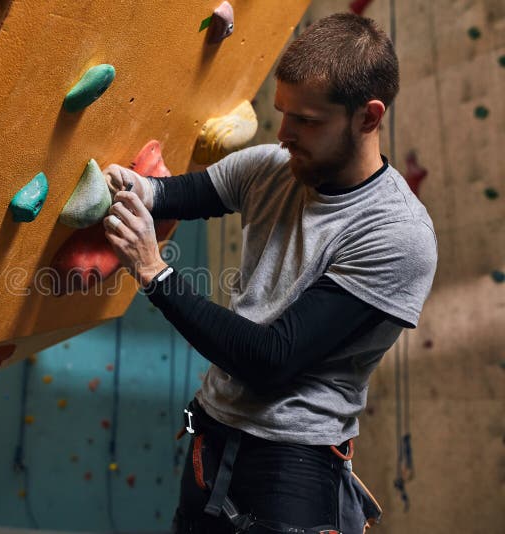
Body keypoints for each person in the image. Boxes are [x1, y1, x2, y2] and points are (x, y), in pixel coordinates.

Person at [101, 13, 437, 534]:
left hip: (293, 463)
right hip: (209, 434)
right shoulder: (272, 167)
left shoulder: (397, 235)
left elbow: (271, 359)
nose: (284, 135)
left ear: (368, 118)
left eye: (306, 121)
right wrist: (130, 186)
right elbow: (174, 195)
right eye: (282, 114)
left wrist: (153, 271)